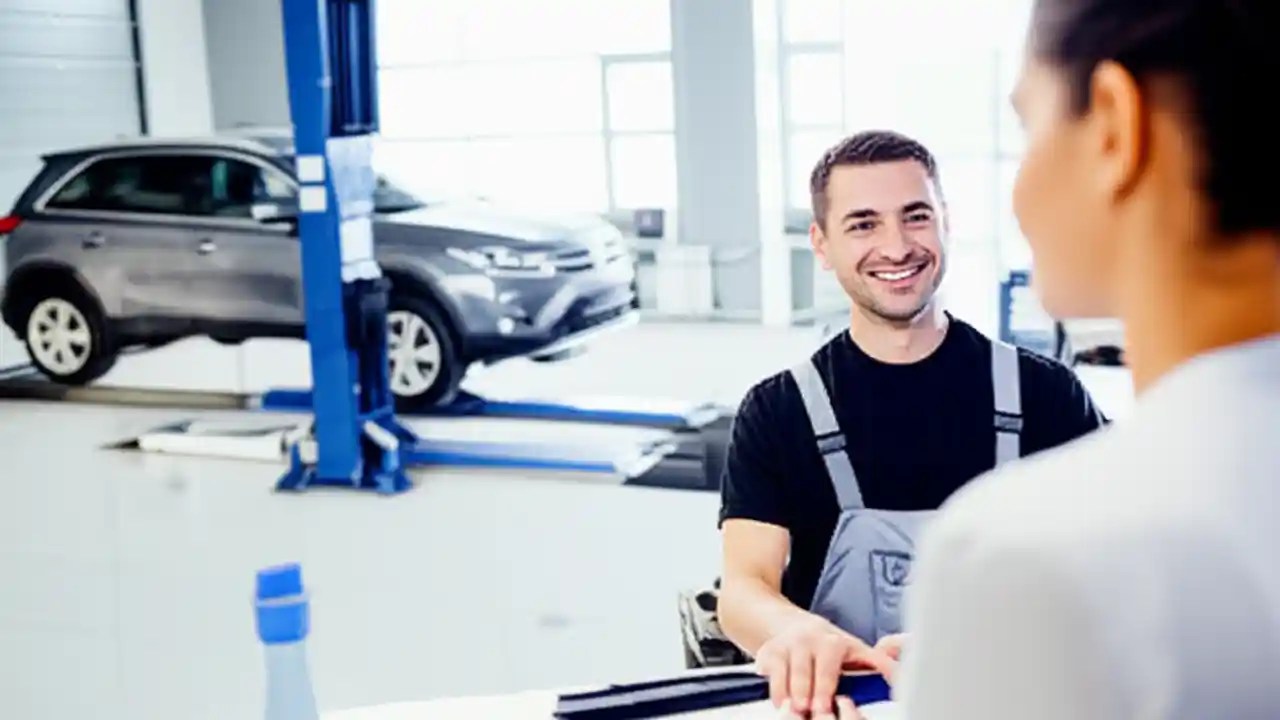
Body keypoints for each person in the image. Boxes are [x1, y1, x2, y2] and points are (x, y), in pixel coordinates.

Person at [874, 1, 1280, 718]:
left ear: (1115, 128)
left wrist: (982, 661)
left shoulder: (1024, 555)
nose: (1020, 193)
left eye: (1030, 126)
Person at [715, 130, 1107, 717]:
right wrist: (797, 632)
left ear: (946, 222)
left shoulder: (1046, 395)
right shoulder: (778, 410)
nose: (896, 247)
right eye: (863, 224)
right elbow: (744, 587)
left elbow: (1113, 567)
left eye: (915, 216)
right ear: (821, 244)